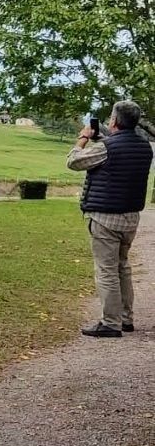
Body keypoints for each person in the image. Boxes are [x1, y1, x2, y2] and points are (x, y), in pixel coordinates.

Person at [66, 101, 153, 337]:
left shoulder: (106, 147)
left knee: (106, 270)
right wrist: (103, 138)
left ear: (114, 120)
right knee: (122, 267)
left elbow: (73, 161)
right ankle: (126, 318)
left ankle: (110, 323)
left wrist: (84, 137)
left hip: (105, 217)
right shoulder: (144, 146)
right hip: (130, 217)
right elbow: (120, 153)